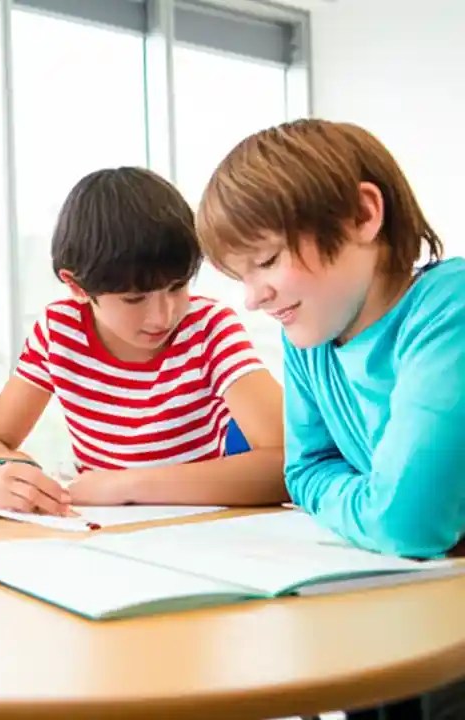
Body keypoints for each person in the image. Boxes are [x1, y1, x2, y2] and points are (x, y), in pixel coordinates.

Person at [195, 115, 465, 720]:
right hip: (405, 594)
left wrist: (378, 503)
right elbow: (303, 471)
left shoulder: (451, 304)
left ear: (363, 216)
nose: (253, 297)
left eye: (267, 259)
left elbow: (408, 522)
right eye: (241, 275)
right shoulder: (308, 339)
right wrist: (377, 499)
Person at [0, 167, 286, 516]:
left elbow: (289, 461)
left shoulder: (208, 329)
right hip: (103, 530)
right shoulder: (60, 332)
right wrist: (0, 477)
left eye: (177, 287)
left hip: (197, 529)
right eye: (135, 299)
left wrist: (128, 486)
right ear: (77, 287)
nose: (163, 316)